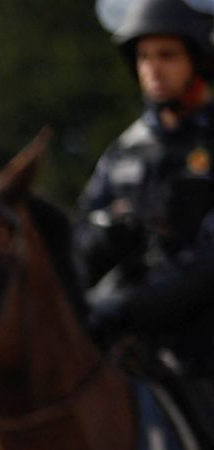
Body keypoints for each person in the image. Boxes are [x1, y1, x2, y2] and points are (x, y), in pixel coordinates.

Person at [80, 0, 214, 378]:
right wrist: (104, 239)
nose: (153, 69)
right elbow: (78, 243)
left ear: (199, 58)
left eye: (167, 55)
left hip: (201, 349)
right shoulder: (125, 150)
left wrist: (131, 308)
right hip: (128, 346)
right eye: (143, 57)